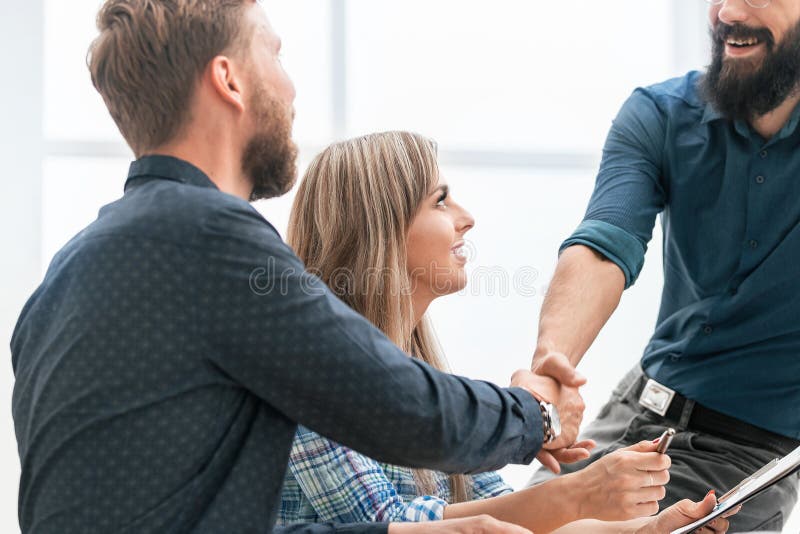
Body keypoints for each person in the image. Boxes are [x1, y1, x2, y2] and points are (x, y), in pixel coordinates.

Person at [10, 2, 588, 533]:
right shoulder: (209, 237)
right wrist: (536, 413)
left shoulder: (65, 277)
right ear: (229, 80)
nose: (291, 89)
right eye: (276, 54)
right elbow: (406, 408)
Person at [278, 131, 734, 534]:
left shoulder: (427, 382)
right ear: (381, 226)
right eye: (440, 200)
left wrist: (645, 531)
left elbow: (494, 514)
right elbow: (390, 527)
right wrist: (580, 492)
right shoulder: (310, 373)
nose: (467, 217)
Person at [527, 0, 800, 531]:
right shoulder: (661, 112)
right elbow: (607, 243)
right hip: (639, 407)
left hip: (746, 456)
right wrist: (551, 362)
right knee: (512, 525)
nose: (727, 12)